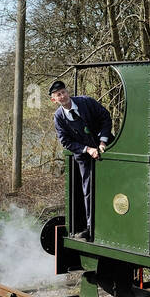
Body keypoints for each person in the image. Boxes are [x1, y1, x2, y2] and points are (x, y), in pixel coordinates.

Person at [49, 80, 112, 241]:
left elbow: (105, 117)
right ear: (54, 100)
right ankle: (91, 228)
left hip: (107, 150)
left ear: (67, 92)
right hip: (84, 157)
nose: (62, 96)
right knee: (88, 190)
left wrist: (103, 141)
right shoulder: (59, 118)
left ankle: (114, 224)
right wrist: (88, 149)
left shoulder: (86, 102)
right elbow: (66, 142)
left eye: (63, 92)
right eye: (58, 95)